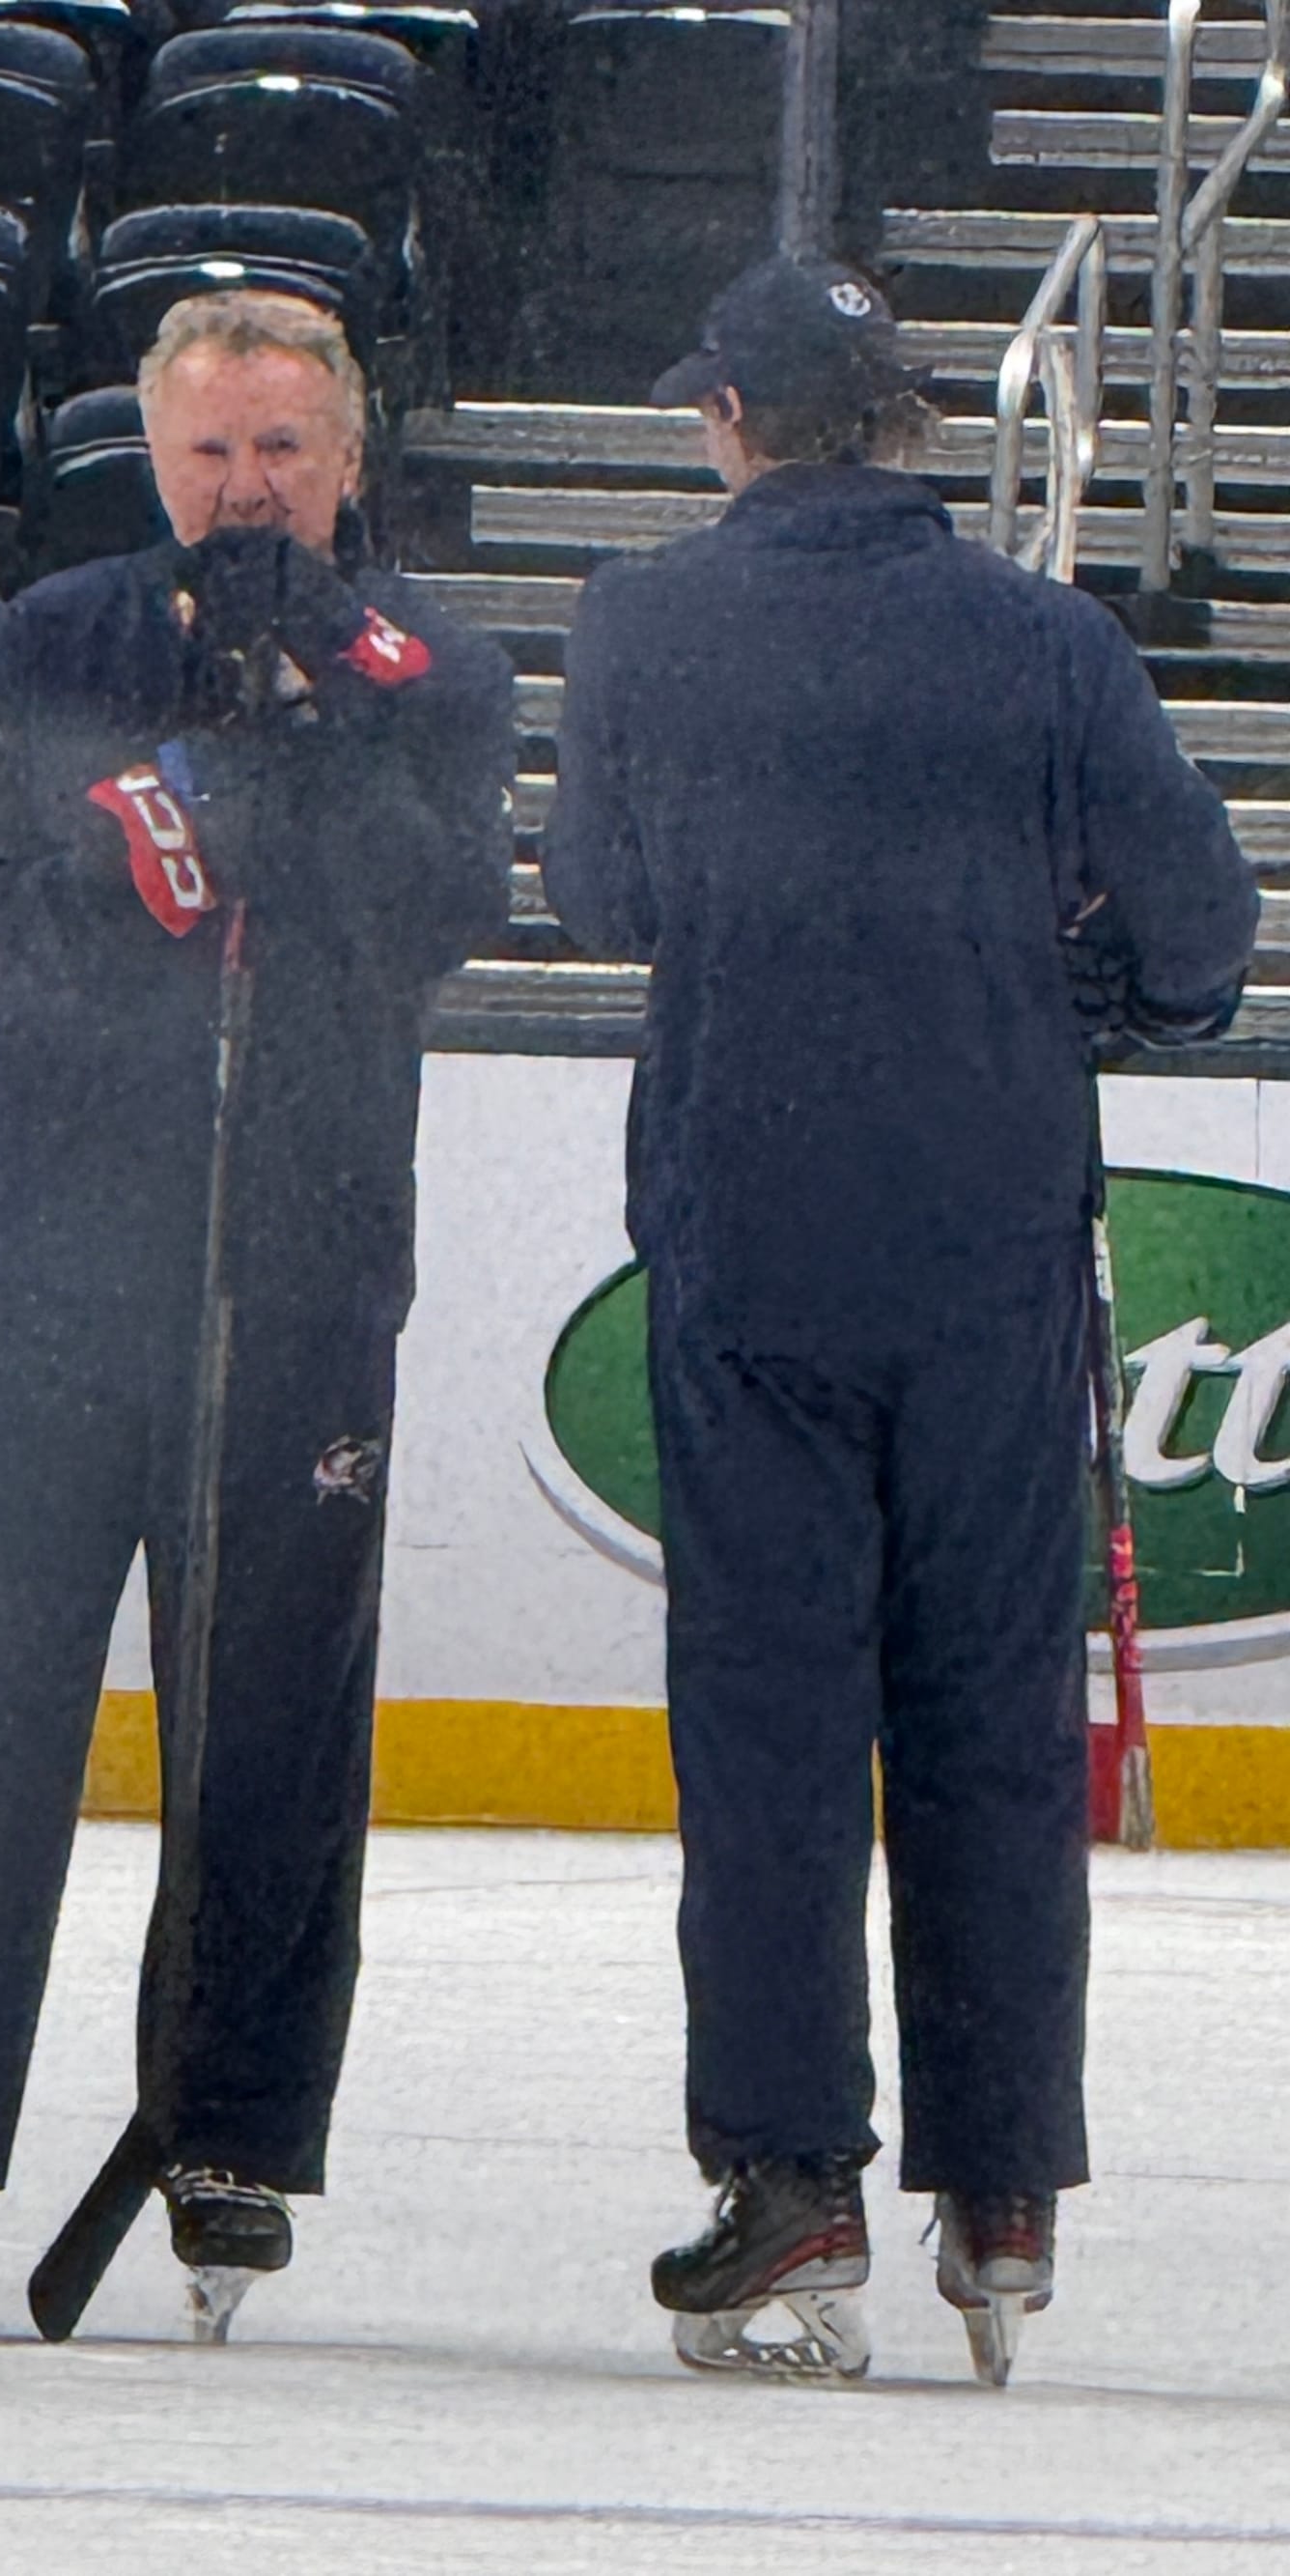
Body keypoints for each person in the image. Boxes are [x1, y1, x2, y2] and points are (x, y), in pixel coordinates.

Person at [545, 253, 1258, 2386]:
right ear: (909, 427)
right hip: (982, 1242)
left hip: (750, 1234)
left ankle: (789, 2183)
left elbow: (599, 901)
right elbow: (1202, 931)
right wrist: (1071, 1006)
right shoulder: (1045, 638)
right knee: (987, 1720)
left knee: (769, 1724)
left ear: (734, 423)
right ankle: (1004, 2181)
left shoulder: (642, 622)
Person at [0, 290, 515, 2337]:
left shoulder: (429, 670)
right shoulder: (53, 646)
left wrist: (307, 764)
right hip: (43, 1266)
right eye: (210, 452)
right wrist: (142, 855)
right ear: (150, 459)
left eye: (283, 450)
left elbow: (451, 908)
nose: (245, 489)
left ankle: (232, 2136)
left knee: (272, 1726)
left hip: (300, 1275)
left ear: (350, 460)